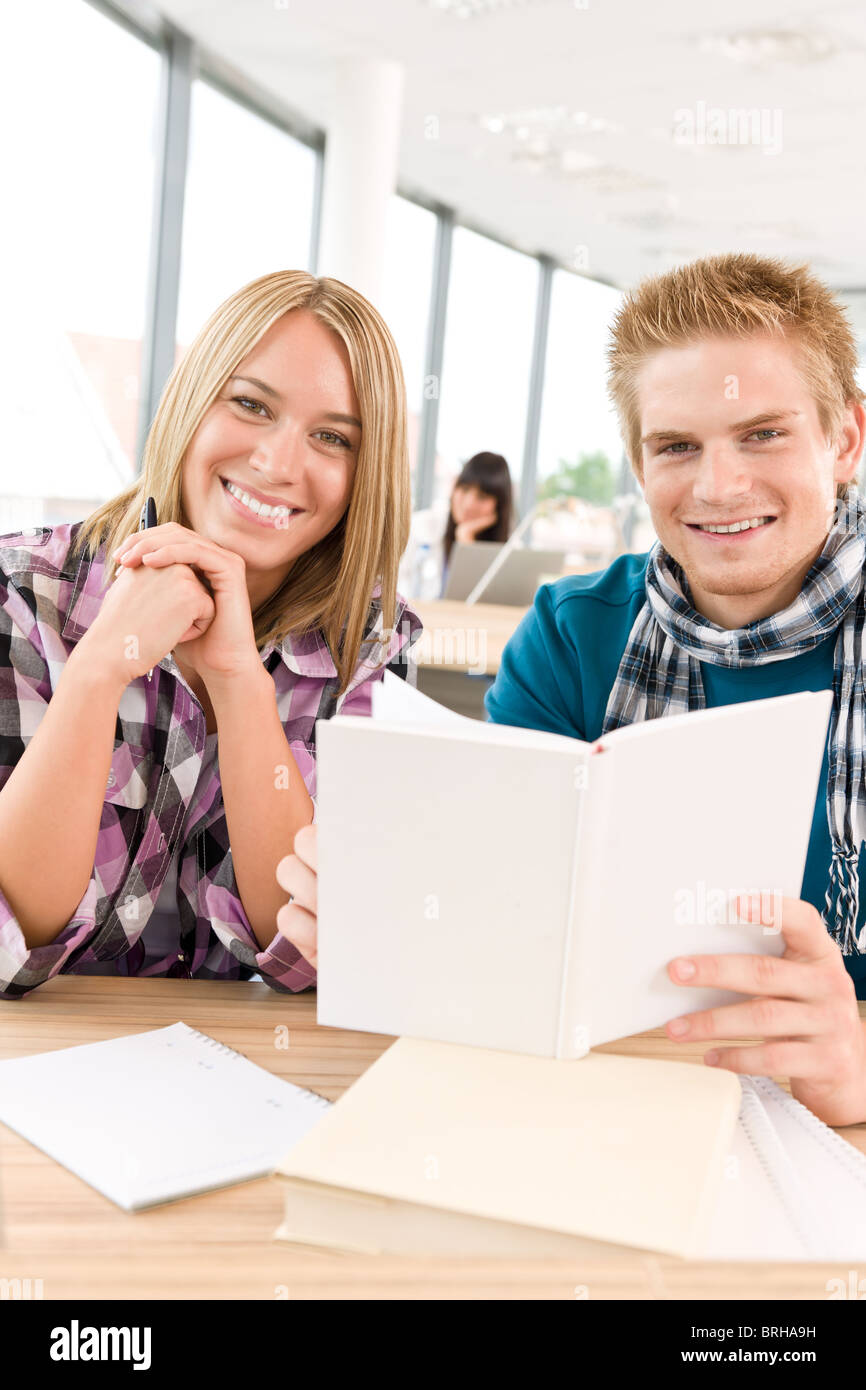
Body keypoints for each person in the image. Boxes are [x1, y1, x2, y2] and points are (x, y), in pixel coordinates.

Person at [277, 252, 866, 1128]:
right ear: (638, 460)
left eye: (764, 433)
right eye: (676, 446)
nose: (719, 485)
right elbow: (512, 936)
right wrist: (397, 931)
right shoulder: (571, 633)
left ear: (846, 440)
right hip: (614, 1104)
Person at [0, 270, 421, 997]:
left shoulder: (366, 647)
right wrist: (100, 667)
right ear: (192, 404)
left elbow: (302, 941)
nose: (278, 464)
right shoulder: (24, 593)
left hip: (252, 1071)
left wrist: (237, 678)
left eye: (332, 437)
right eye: (252, 405)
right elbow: (17, 931)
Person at [440, 452, 513, 595]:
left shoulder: (511, 553)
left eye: (482, 496)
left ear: (499, 506)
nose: (469, 504)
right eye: (464, 489)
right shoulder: (423, 529)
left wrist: (465, 538)